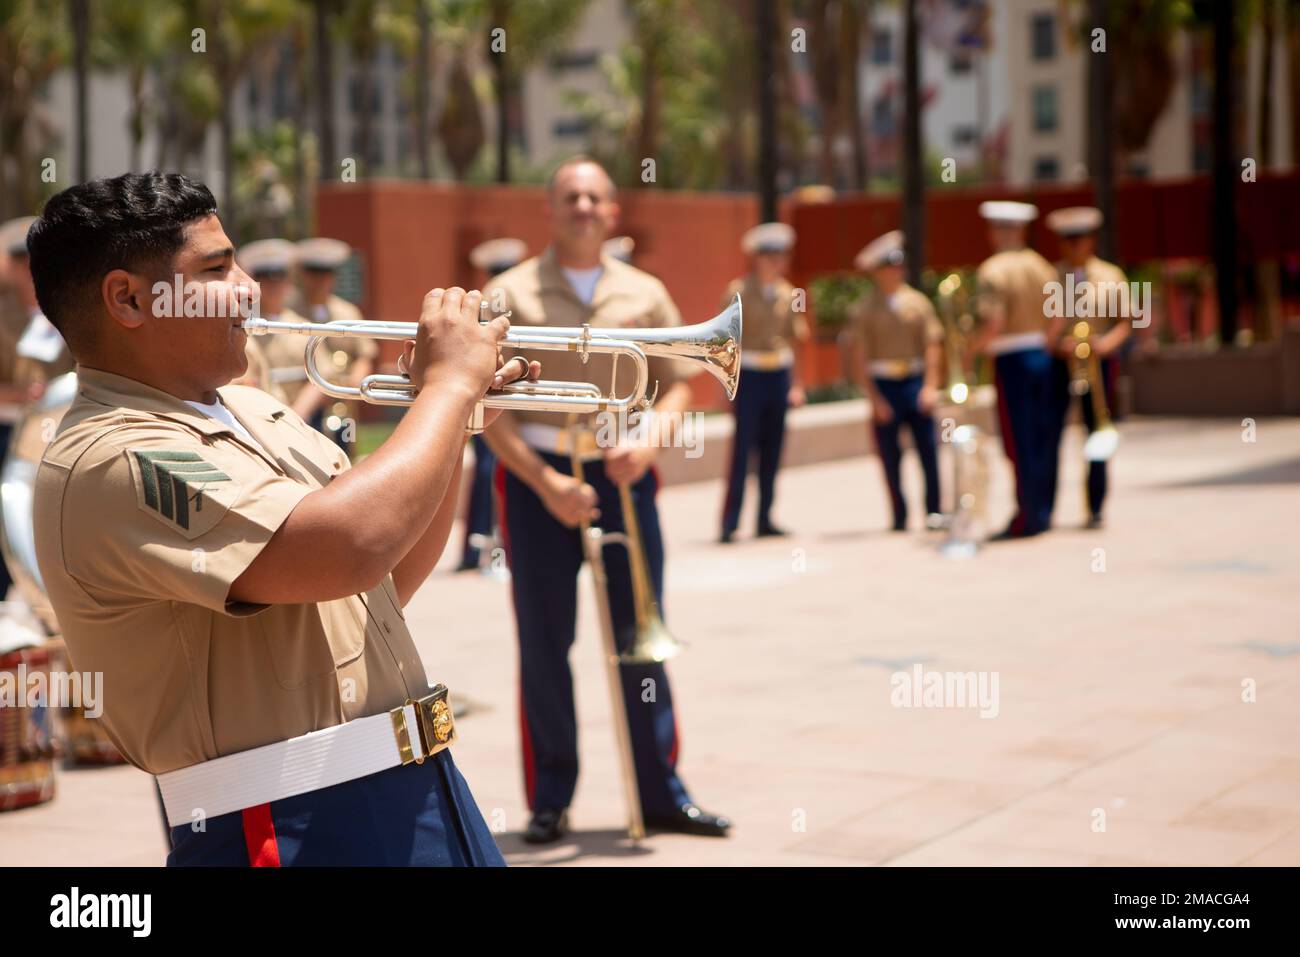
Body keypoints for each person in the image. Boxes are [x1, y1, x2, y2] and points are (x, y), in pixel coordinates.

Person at [28, 171, 538, 866]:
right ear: (128, 298)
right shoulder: (115, 454)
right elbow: (347, 547)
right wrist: (446, 391)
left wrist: (455, 420)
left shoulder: (250, 409)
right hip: (294, 821)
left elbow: (379, 576)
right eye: (216, 268)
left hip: (417, 787)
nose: (249, 287)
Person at [483, 156, 731, 844]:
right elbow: (485, 405)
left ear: (613, 211)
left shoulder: (645, 293)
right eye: (571, 197)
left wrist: (649, 439)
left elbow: (683, 380)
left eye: (595, 197)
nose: (584, 207)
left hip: (625, 473)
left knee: (641, 636)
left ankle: (660, 792)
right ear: (550, 210)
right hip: (541, 479)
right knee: (543, 642)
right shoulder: (507, 292)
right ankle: (550, 797)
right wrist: (545, 480)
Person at [968, 201, 1061, 540]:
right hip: (1040, 355)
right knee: (1041, 438)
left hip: (1010, 359)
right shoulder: (1042, 267)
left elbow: (994, 322)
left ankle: (1028, 516)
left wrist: (970, 349)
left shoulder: (993, 270)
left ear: (996, 231)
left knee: (1017, 441)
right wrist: (1043, 346)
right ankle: (1042, 510)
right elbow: (1058, 318)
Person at [847, 230, 944, 532]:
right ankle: (899, 515)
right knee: (890, 456)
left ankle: (934, 511)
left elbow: (932, 346)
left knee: (928, 450)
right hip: (884, 384)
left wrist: (930, 386)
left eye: (899, 265)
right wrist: (874, 399)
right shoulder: (864, 309)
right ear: (878, 272)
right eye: (890, 266)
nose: (897, 271)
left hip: (914, 381)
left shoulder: (918, 303)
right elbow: (860, 357)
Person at [718, 222, 808, 544]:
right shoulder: (737, 290)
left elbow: (794, 340)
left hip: (778, 375)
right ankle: (730, 522)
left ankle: (765, 518)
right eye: (768, 255)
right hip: (750, 376)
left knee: (773, 450)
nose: (775, 262)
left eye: (780, 255)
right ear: (756, 258)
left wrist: (796, 385)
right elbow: (725, 341)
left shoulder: (789, 293)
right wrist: (726, 384)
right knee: (742, 452)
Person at [1043, 206, 1130, 529]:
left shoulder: (1110, 276)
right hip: (1059, 363)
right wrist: (1057, 344)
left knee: (1098, 434)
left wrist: (1106, 344)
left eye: (1079, 239)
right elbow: (1042, 327)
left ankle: (1095, 505)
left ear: (1090, 240)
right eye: (1068, 240)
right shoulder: (1050, 276)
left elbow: (1126, 321)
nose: (1074, 246)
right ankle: (1045, 508)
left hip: (1097, 362)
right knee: (1049, 433)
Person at [459, 237, 528, 572]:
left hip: (516, 396)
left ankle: (500, 545)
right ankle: (477, 545)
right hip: (492, 394)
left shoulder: (519, 300)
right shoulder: (486, 304)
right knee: (487, 469)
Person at [292, 237, 378, 454]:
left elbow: (364, 354)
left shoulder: (347, 312)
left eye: (326, 273)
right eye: (314, 272)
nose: (320, 280)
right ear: (303, 274)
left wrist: (354, 383)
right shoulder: (290, 310)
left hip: (341, 400)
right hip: (303, 397)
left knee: (344, 453)